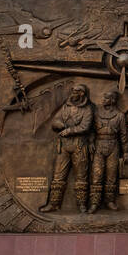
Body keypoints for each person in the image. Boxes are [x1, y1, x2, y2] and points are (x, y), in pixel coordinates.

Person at [41, 84, 93, 213]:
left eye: (75, 91)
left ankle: (82, 205)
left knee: (81, 177)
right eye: (72, 91)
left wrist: (70, 130)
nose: (72, 93)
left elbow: (85, 126)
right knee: (58, 176)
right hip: (63, 146)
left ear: (81, 94)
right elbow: (55, 121)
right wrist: (58, 124)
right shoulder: (65, 107)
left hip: (79, 145)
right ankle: (54, 204)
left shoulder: (88, 109)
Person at [91, 90, 128, 212]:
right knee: (97, 175)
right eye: (103, 97)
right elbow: (91, 130)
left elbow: (124, 135)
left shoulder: (120, 116)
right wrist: (91, 142)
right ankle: (94, 203)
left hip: (113, 146)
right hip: (99, 145)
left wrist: (126, 152)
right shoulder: (96, 113)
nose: (103, 99)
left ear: (113, 100)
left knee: (111, 176)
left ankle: (110, 201)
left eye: (106, 98)